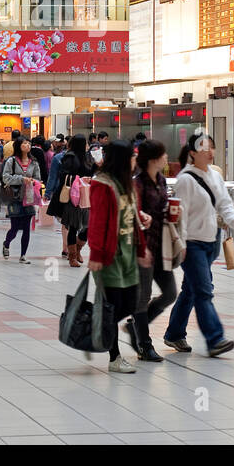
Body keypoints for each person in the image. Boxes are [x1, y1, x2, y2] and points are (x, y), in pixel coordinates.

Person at [163, 132, 234, 357]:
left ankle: (174, 333)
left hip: (211, 240)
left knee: (191, 289)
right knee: (204, 290)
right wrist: (182, 242)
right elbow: (181, 216)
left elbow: (225, 204)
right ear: (192, 153)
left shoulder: (216, 177)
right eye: (203, 148)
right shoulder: (186, 179)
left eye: (211, 148)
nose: (209, 152)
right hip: (191, 244)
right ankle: (215, 339)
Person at [87, 140, 147, 373]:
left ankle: (97, 325)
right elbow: (97, 222)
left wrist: (142, 249)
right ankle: (114, 357)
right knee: (113, 306)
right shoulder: (102, 184)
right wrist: (96, 253)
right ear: (122, 159)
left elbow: (132, 217)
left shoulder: (128, 184)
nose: (135, 161)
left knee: (132, 302)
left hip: (129, 254)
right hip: (110, 255)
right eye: (132, 157)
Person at [123, 139, 177, 363]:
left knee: (170, 292)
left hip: (161, 245)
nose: (166, 158)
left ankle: (135, 325)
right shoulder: (138, 183)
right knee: (143, 297)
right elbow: (134, 217)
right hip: (143, 248)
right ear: (154, 159)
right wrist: (140, 248)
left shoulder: (161, 180)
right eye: (163, 155)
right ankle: (144, 345)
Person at [51, 135, 91, 265]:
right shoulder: (70, 157)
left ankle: (78, 250)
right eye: (85, 143)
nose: (87, 145)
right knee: (73, 227)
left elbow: (90, 172)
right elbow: (64, 175)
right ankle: (72, 256)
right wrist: (79, 179)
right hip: (73, 197)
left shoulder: (86, 157)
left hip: (84, 196)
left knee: (87, 226)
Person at [1, 137, 39, 263]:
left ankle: (23, 255)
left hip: (28, 197)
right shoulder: (11, 161)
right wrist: (21, 179)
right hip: (15, 197)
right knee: (15, 227)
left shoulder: (34, 162)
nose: (27, 145)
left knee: (27, 227)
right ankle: (6, 243)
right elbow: (6, 177)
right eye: (24, 143)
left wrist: (33, 181)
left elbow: (38, 178)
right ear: (18, 145)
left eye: (29, 143)